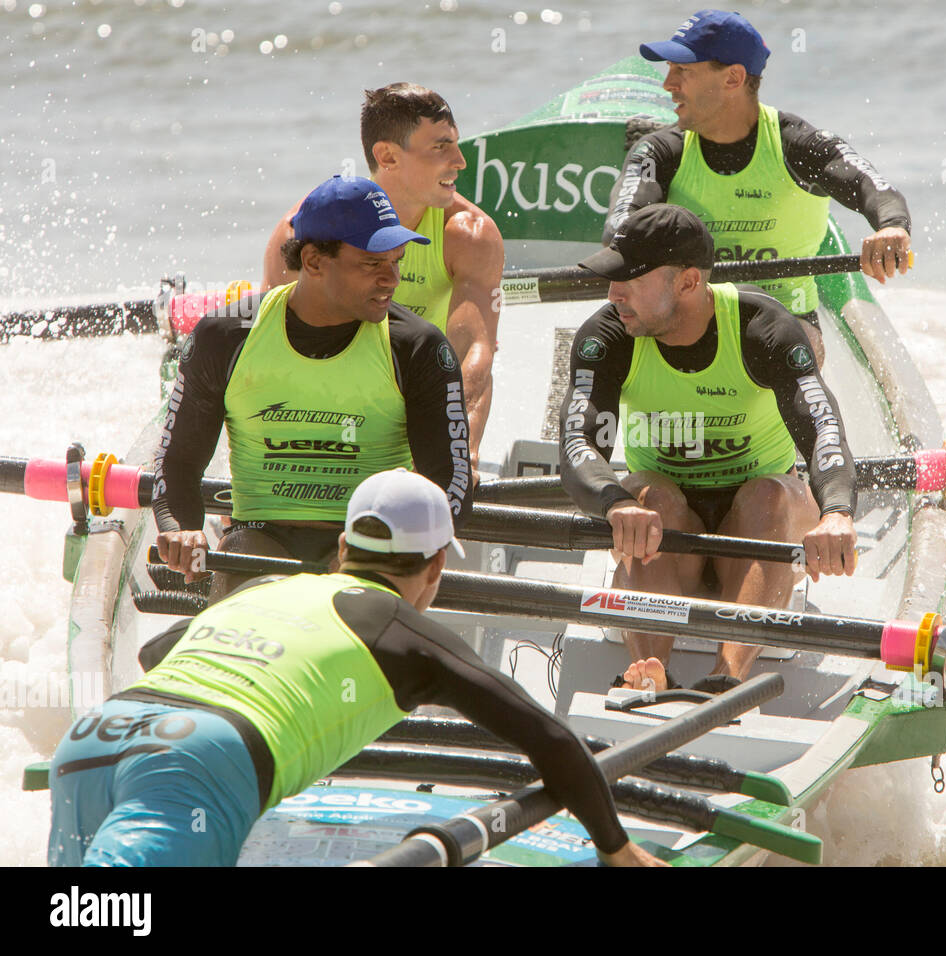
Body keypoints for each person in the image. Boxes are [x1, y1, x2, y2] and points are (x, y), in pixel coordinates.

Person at [50, 468, 662, 867]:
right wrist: (617, 847)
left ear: (343, 550)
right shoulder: (407, 633)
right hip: (196, 763)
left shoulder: (264, 589)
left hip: (96, 737)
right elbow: (549, 737)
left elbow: (159, 653)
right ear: (434, 571)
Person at [560, 204, 859, 693]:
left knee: (767, 496)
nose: (613, 294)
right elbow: (578, 441)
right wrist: (613, 502)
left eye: (630, 280)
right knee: (648, 500)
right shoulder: (609, 336)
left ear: (689, 282)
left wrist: (838, 513)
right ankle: (650, 671)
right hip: (667, 524)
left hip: (759, 518)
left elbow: (823, 428)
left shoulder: (762, 328)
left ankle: (726, 676)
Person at [154, 175, 474, 602]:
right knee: (246, 561)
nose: (392, 279)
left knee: (360, 595)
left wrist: (376, 552)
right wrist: (182, 531)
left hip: (371, 547)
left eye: (397, 261)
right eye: (372, 263)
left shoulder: (418, 348)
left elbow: (452, 483)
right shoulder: (226, 337)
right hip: (260, 541)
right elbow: (177, 460)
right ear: (314, 261)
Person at [606, 10, 912, 360]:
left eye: (683, 71)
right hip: (685, 319)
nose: (667, 84)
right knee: (601, 334)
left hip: (783, 321)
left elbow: (874, 188)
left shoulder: (798, 145)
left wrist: (892, 228)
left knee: (784, 344)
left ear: (733, 78)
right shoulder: (659, 151)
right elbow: (620, 230)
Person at [262, 83, 504, 471]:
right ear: (387, 156)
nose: (460, 161)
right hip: (329, 398)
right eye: (441, 147)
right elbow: (269, 359)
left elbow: (472, 353)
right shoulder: (304, 234)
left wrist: (458, 456)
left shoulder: (469, 234)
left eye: (457, 145)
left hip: (423, 391)